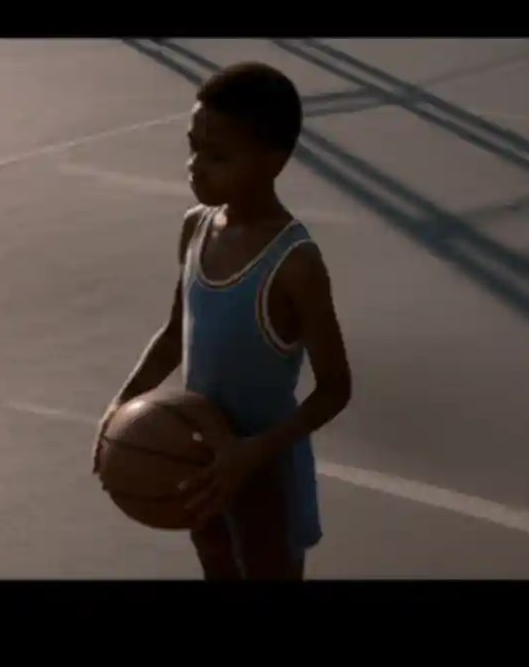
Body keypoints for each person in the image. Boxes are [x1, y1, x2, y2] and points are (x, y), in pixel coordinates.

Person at [92, 61, 352, 580]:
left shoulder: (294, 263)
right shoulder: (196, 228)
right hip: (198, 459)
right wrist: (119, 406)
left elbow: (335, 389)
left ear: (273, 161)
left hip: (262, 472)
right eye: (192, 147)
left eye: (217, 156)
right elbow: (172, 337)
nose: (195, 166)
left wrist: (253, 452)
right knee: (215, 565)